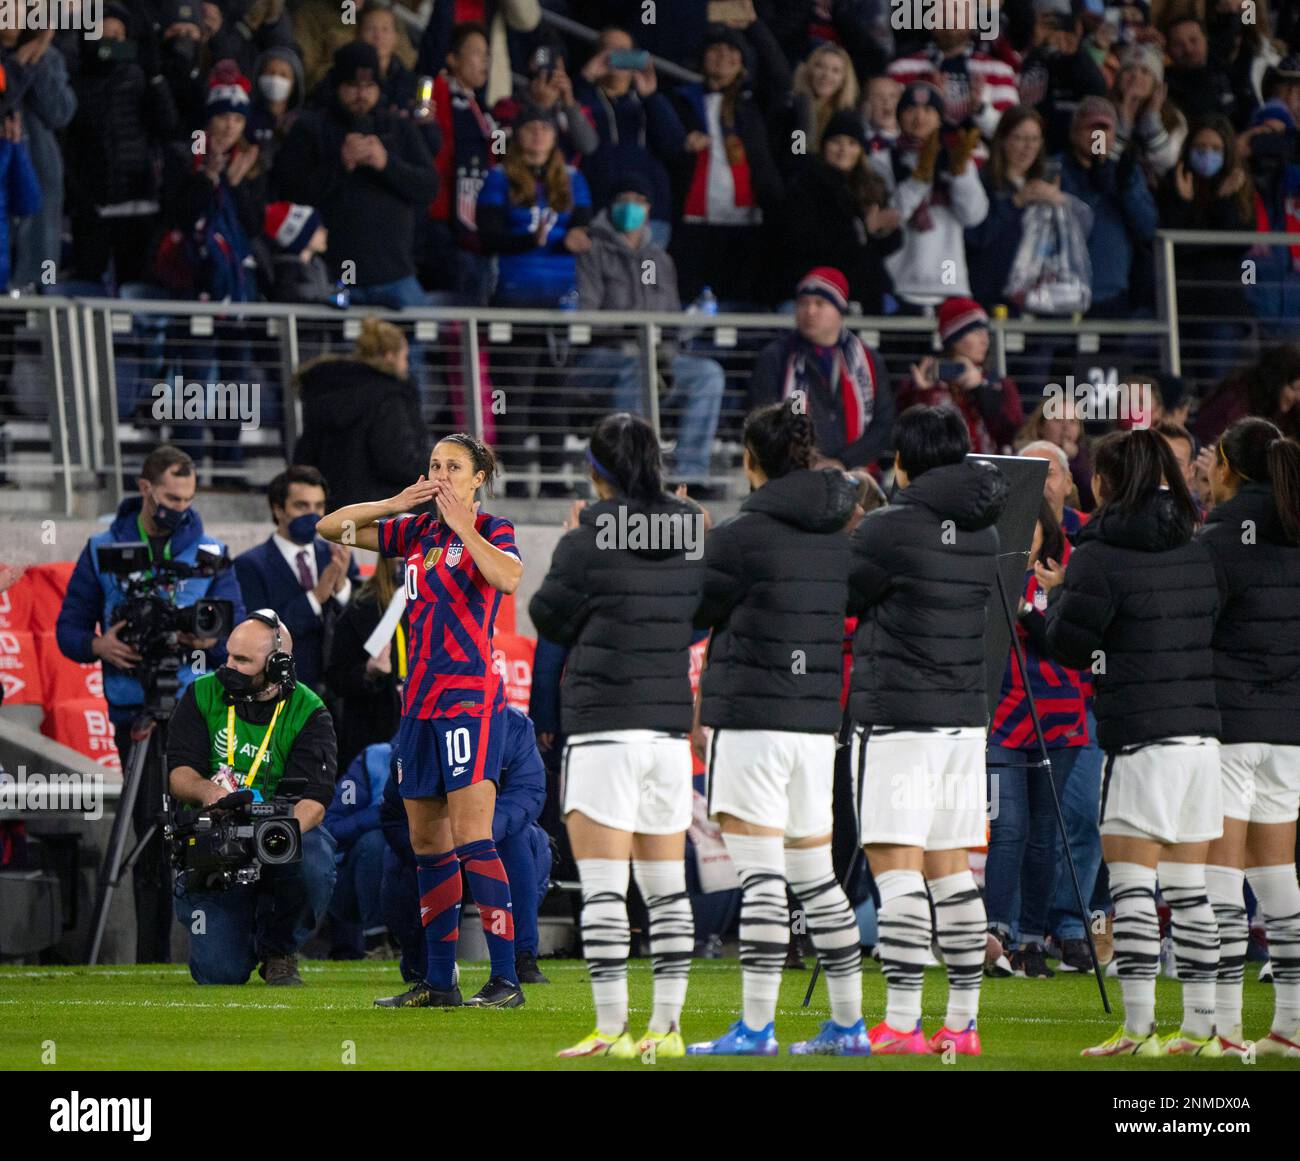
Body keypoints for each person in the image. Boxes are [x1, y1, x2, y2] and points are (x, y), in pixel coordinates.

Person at [317, 433, 525, 1009]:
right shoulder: (414, 532)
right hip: (418, 703)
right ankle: (440, 982)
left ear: (479, 476)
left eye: (453, 466)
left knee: (472, 836)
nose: (440, 473)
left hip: (469, 700)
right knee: (427, 842)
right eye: (434, 464)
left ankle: (505, 979)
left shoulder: (495, 530)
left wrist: (464, 528)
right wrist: (394, 503)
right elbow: (328, 528)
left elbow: (508, 580)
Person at [687, 400, 867, 1056]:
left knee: (761, 876)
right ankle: (849, 1026)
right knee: (814, 876)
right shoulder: (837, 532)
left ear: (750, 460)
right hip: (817, 724)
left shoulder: (742, 533)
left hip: (755, 719)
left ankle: (757, 1028)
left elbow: (696, 607)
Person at [528, 413, 705, 1059]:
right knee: (666, 890)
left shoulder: (588, 536)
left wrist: (578, 543)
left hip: (604, 727)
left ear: (596, 472)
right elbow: (701, 613)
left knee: (604, 887)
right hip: (665, 731)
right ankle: (667, 1028)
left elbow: (547, 615)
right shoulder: (688, 530)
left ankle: (610, 1029)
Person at [1046, 428, 1223, 1057]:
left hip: (1140, 739)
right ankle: (1204, 1029)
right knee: (1190, 889)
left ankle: (1141, 1030)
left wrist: (1054, 596)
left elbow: (1072, 646)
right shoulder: (1196, 545)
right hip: (1202, 740)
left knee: (1131, 890)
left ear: (1107, 482)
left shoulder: (1099, 552)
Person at [848, 405, 1008, 1054]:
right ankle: (962, 1026)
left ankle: (905, 1022)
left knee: (898, 870)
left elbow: (845, 596)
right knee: (951, 874)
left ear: (904, 459)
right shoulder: (987, 530)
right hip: (963, 721)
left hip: (900, 717)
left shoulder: (889, 528)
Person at [56, 445, 245, 962]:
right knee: (147, 835)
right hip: (133, 709)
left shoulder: (210, 549)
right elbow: (68, 629)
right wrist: (100, 645)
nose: (179, 507)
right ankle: (150, 957)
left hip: (196, 711)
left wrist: (211, 641)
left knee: (204, 830)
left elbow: (238, 626)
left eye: (187, 498)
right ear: (144, 487)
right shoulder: (101, 548)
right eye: (169, 496)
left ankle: (217, 952)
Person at [1199, 417, 1300, 1056]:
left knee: (1220, 876)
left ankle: (1226, 1028)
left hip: (1229, 726)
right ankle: (1289, 1027)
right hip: (1288, 731)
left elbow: (1194, 624)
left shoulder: (1219, 539)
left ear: (1230, 470)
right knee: (1279, 876)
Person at [168, 612, 338, 985]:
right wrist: (208, 791)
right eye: (228, 655)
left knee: (314, 858)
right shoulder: (200, 693)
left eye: (241, 661)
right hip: (216, 836)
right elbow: (179, 774)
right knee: (220, 973)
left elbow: (316, 801)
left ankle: (279, 949)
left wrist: (271, 838)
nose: (227, 666)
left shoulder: (310, 712)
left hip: (275, 834)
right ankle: (240, 925)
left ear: (277, 667)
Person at [985, 500, 1088, 979]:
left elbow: (1058, 642)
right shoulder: (991, 576)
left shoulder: (1065, 581)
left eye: (1033, 528)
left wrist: (1026, 608)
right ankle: (994, 935)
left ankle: (1031, 941)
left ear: (1048, 532)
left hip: (1058, 719)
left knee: (1045, 834)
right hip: (1002, 718)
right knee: (1008, 828)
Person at [378, 707, 553, 987]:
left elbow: (529, 793)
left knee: (519, 842)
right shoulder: (417, 722)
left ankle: (518, 961)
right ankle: (423, 960)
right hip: (438, 843)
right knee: (407, 856)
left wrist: (475, 834)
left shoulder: (514, 726)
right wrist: (441, 839)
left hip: (497, 839)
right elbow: (393, 813)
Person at [573, 172, 726, 490]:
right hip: (604, 356)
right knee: (639, 369)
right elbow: (587, 317)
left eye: (639, 201)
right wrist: (633, 328)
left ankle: (690, 474)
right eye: (623, 201)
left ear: (649, 208)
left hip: (657, 355)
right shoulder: (592, 250)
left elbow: (670, 318)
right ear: (611, 206)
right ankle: (629, 473)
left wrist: (686, 324)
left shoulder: (661, 259)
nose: (631, 207)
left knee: (708, 374)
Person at [476, 104, 593, 493]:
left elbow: (583, 226)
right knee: (516, 392)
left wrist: (578, 237)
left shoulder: (573, 179)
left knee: (555, 394)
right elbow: (487, 236)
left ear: (555, 135)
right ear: (517, 135)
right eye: (530, 127)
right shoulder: (498, 177)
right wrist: (531, 240)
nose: (538, 134)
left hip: (562, 300)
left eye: (545, 127)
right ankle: (519, 480)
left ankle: (554, 481)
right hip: (514, 298)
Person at [273, 41, 436, 308]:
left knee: (410, 346)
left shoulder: (399, 128)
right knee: (339, 351)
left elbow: (428, 187)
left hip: (396, 277)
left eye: (369, 86)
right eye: (352, 86)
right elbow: (291, 193)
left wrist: (386, 163)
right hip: (333, 277)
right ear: (337, 86)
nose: (361, 95)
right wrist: (340, 163)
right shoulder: (310, 128)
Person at [668, 23, 786, 305]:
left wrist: (754, 26)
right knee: (688, 300)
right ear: (702, 59)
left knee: (740, 303)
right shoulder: (680, 100)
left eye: (733, 51)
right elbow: (666, 145)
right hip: (694, 221)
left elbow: (781, 76)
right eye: (716, 49)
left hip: (747, 224)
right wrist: (683, 146)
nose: (724, 56)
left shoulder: (755, 102)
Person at [66, 4, 178, 288]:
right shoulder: (74, 83)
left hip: (139, 202)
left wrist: (156, 79)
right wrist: (80, 198)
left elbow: (166, 125)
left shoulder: (141, 77)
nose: (112, 42)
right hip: (95, 206)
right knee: (86, 285)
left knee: (136, 286)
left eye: (119, 34)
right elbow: (69, 147)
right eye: (104, 33)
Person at [750, 267, 893, 475]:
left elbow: (883, 425)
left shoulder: (868, 361)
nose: (810, 311)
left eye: (820, 303)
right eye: (803, 303)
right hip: (791, 476)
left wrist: (842, 462)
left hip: (856, 475)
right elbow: (763, 422)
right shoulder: (776, 357)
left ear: (839, 311)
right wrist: (805, 460)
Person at [233, 466, 358, 697]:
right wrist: (315, 598)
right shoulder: (249, 565)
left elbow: (358, 625)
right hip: (283, 691)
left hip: (339, 693)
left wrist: (341, 590)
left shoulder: (337, 555)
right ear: (279, 510)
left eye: (319, 506)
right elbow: (259, 637)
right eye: (302, 506)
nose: (313, 514)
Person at [868, 79, 987, 315]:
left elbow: (973, 216)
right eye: (911, 109)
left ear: (939, 117)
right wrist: (919, 177)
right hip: (899, 282)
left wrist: (960, 175)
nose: (919, 117)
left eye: (928, 110)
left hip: (949, 282)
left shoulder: (956, 157)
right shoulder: (881, 160)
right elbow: (891, 218)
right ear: (899, 116)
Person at [1155, 114, 1255, 389]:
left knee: (1214, 394)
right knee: (1180, 398)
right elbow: (1171, 244)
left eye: (1215, 149)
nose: (1207, 155)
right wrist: (1184, 204)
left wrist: (1222, 202)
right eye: (1200, 148)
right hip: (1178, 311)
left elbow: (1238, 241)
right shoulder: (1173, 183)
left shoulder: (1239, 187)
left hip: (1222, 313)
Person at [965, 104, 1093, 314]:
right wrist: (1016, 202)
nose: (1028, 147)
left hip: (1044, 299)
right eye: (1019, 138)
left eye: (1034, 139)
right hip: (992, 298)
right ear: (1003, 140)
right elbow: (976, 236)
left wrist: (1061, 203)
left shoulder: (1053, 180)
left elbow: (1084, 228)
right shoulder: (983, 181)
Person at [771, 109, 902, 312]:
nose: (843, 150)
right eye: (836, 142)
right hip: (816, 291)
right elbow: (805, 239)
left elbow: (887, 246)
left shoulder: (873, 185)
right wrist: (863, 229)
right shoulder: (806, 184)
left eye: (852, 144)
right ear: (824, 146)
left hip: (865, 292)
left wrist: (884, 231)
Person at [292, 318, 428, 510]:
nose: (407, 365)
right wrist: (439, 467)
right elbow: (397, 462)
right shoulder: (389, 397)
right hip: (378, 513)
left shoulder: (325, 388)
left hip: (332, 510)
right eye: (405, 357)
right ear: (390, 356)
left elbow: (305, 456)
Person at [574, 25, 686, 246]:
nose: (615, 56)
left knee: (646, 280)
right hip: (597, 212)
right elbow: (570, 137)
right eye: (608, 50)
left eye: (623, 50)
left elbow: (674, 145)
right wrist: (584, 81)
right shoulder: (583, 98)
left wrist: (651, 96)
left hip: (649, 216)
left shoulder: (649, 101)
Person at [1057, 95, 1158, 317]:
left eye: (1104, 130)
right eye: (1091, 129)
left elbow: (1148, 228)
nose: (1098, 137)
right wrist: (1095, 178)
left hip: (1111, 293)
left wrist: (1126, 189)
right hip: (1060, 289)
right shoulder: (1055, 168)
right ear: (1074, 132)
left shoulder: (1125, 173)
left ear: (1114, 137)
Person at [421, 21, 496, 304]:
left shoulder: (482, 107)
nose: (484, 61)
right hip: (443, 219)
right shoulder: (439, 89)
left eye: (487, 54)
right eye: (476, 52)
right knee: (457, 297)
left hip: (477, 220)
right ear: (452, 58)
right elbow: (428, 64)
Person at [897, 297, 1023, 455]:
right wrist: (923, 393)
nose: (985, 340)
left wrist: (980, 390)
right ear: (954, 339)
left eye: (985, 332)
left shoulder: (999, 384)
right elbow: (910, 437)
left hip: (988, 471)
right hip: (940, 472)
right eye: (976, 333)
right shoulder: (928, 381)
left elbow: (1010, 432)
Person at [1, 27, 75, 289]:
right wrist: (18, 63)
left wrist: (37, 59)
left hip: (40, 168)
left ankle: (41, 290)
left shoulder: (49, 57)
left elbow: (61, 112)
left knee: (43, 264)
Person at [886, 18, 1020, 156]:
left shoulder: (999, 71)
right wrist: (931, 102)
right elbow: (887, 129)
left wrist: (980, 109)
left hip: (981, 165)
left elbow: (1013, 137)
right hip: (916, 163)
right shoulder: (900, 69)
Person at [1017, 0, 1108, 155]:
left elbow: (1099, 100)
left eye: (1059, 25)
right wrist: (1037, 51)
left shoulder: (1082, 65)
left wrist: (1075, 55)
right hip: (1029, 150)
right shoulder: (1020, 58)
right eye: (1048, 24)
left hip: (1074, 160)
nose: (1054, 34)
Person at [774, 41, 860, 175]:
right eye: (820, 67)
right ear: (808, 70)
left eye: (835, 70)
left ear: (843, 80)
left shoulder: (847, 119)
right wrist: (804, 106)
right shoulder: (790, 108)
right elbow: (798, 152)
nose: (826, 75)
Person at [1192, 343, 1300, 446]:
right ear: (1276, 382)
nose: (1298, 397)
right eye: (1294, 389)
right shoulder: (1235, 403)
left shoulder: (1289, 412)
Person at [1108, 43, 1185, 186]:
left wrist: (1151, 121)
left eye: (1145, 71)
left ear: (1157, 84)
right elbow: (1095, 155)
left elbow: (1167, 163)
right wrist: (1122, 127)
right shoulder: (1098, 109)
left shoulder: (1176, 119)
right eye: (1128, 69)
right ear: (1118, 78)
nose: (1135, 75)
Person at [1164, 13, 1240, 129]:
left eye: (1193, 40)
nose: (1188, 49)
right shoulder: (1167, 87)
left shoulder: (1226, 70)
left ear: (1205, 40)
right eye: (1178, 44)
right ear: (1168, 50)